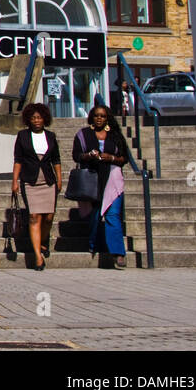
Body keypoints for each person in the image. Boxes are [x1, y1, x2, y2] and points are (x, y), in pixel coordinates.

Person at [73, 104, 129, 268]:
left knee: (112, 216)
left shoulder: (115, 135)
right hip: (92, 180)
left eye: (103, 116)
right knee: (95, 215)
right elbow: (77, 155)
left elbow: (124, 158)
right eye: (97, 115)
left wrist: (111, 158)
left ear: (107, 118)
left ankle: (118, 254)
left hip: (112, 179)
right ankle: (93, 244)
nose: (99, 118)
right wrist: (89, 155)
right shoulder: (83, 134)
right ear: (92, 117)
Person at [10, 103, 61, 271]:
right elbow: (18, 159)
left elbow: (56, 160)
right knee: (34, 217)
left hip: (48, 180)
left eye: (39, 117)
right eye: (33, 118)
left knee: (48, 217)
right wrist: (15, 181)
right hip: (30, 181)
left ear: (44, 119)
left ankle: (44, 240)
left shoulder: (51, 136)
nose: (36, 120)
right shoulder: (23, 136)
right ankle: (38, 256)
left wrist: (59, 179)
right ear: (28, 120)